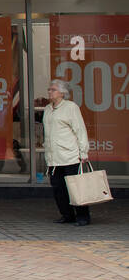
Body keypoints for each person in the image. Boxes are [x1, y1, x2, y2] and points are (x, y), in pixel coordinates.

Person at [43, 79, 91, 226]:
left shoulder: (71, 107)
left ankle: (82, 216)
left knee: (75, 188)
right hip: (53, 157)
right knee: (58, 189)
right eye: (49, 89)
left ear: (62, 93)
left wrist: (83, 152)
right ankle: (67, 214)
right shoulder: (47, 109)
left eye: (53, 89)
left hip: (70, 156)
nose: (49, 92)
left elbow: (80, 130)